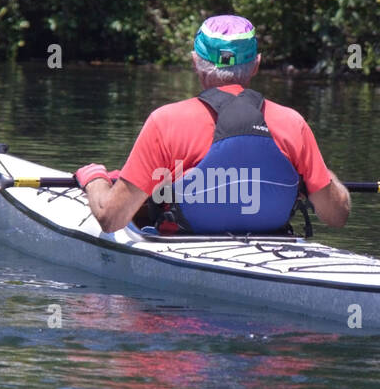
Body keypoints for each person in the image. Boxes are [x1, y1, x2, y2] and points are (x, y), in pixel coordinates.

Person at [75, 14, 351, 235]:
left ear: (196, 62)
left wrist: (94, 178)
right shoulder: (293, 123)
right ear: (256, 64)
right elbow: (337, 216)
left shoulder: (166, 121)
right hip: (275, 245)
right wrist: (320, 176)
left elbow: (112, 219)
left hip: (184, 252)